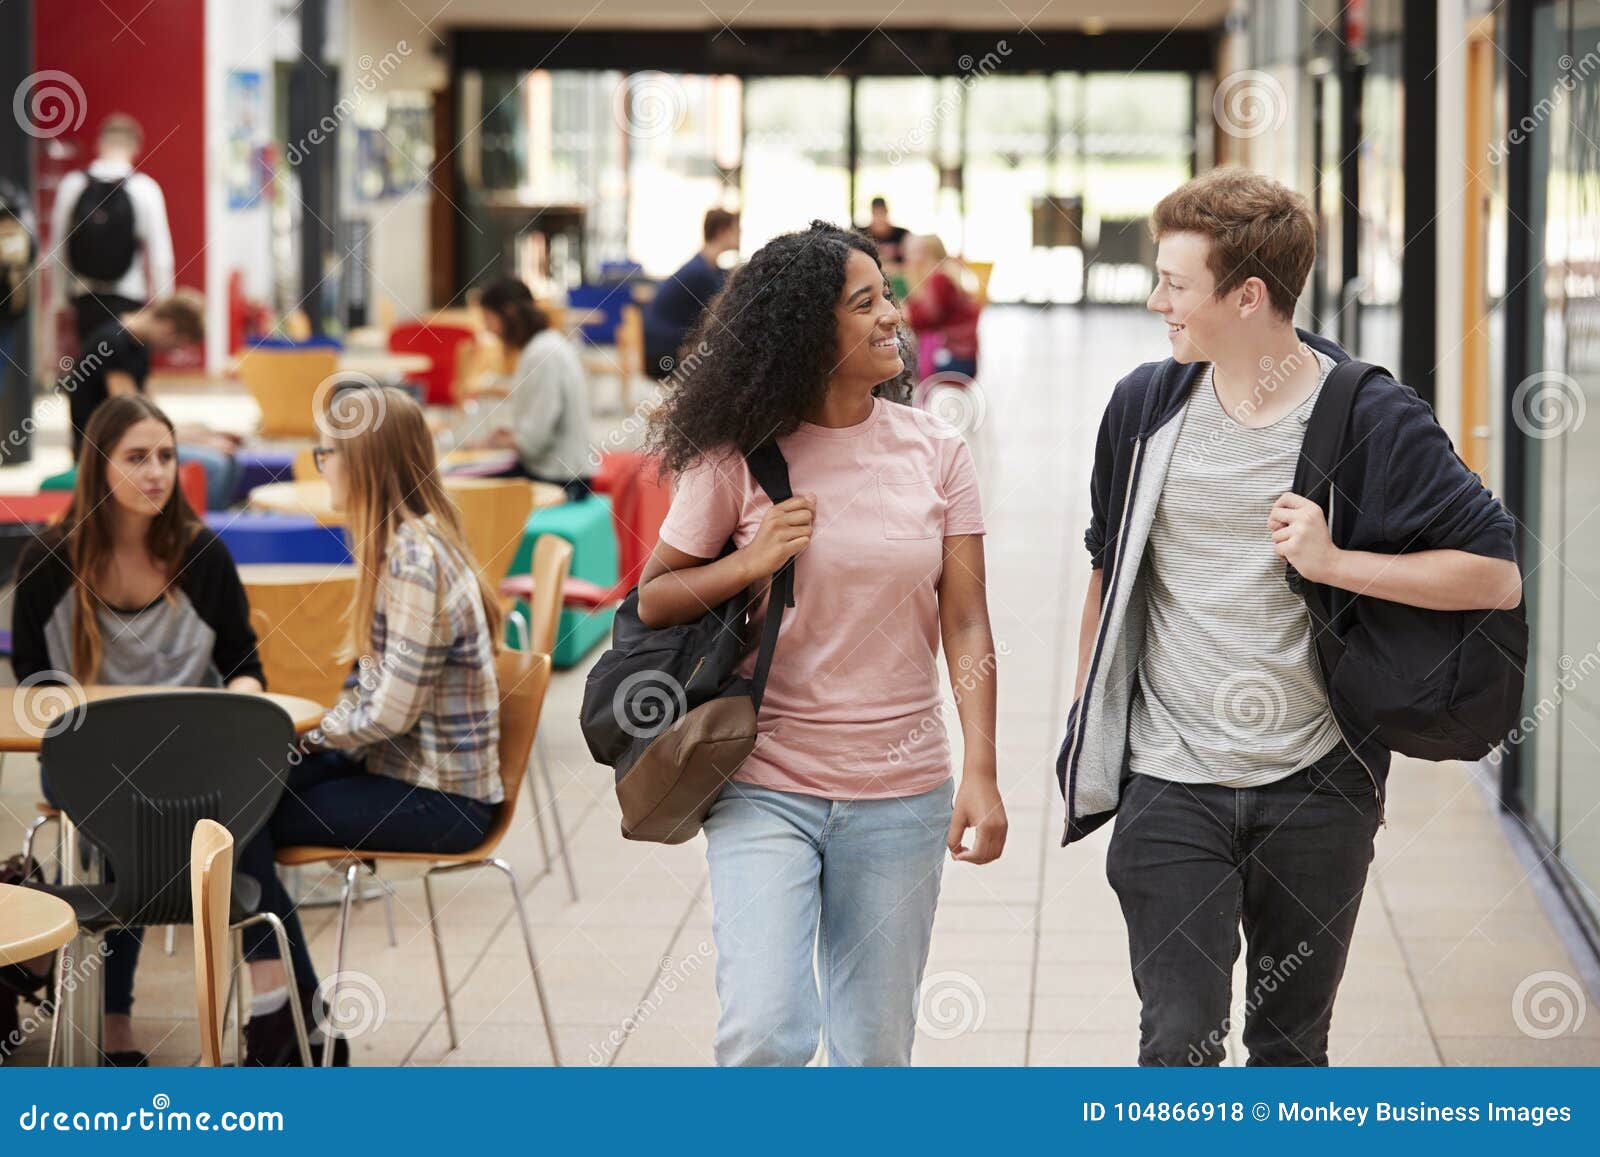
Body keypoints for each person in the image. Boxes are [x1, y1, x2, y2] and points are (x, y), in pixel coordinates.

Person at [1059, 168, 1522, 1066]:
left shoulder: (1370, 415)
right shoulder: (1144, 408)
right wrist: (1091, 713)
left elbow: (1495, 576)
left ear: (1248, 295)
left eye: (1175, 284)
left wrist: (1334, 562)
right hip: (1170, 778)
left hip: (1318, 783)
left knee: (1289, 1044)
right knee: (1179, 1038)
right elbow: (1109, 571)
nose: (1158, 300)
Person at [640, 221, 1007, 1066]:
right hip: (764, 781)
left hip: (903, 788)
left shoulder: (937, 451)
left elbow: (967, 620)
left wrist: (981, 769)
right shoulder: (735, 458)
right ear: (808, 330)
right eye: (865, 302)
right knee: (766, 1029)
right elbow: (654, 598)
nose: (893, 316)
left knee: (876, 1049)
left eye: (888, 295)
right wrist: (752, 562)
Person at [234, 385, 505, 1066]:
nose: (319, 463)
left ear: (363, 461)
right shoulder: (408, 543)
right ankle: (296, 1025)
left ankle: (288, 1025)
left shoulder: (413, 557)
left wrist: (311, 736)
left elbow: (389, 712)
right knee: (239, 797)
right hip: (410, 772)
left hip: (444, 798)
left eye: (327, 451)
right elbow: (375, 694)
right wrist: (312, 736)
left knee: (237, 818)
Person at [7, 395, 265, 1066]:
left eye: (167, 456)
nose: (156, 472)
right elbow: (32, 684)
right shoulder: (47, 562)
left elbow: (244, 663)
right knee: (142, 828)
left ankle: (271, 1019)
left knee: (246, 820)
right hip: (89, 759)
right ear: (99, 468)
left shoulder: (202, 555)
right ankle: (126, 1022)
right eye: (137, 458)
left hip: (193, 759)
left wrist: (243, 713)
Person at [65, 290, 240, 508]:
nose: (169, 352)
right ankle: (198, 534)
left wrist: (206, 433)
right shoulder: (112, 344)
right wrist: (202, 441)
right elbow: (132, 420)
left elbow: (149, 412)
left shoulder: (139, 345)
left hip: (131, 439)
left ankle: (215, 526)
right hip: (105, 447)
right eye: (176, 346)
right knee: (216, 466)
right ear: (168, 329)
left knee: (231, 458)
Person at [50, 113, 175, 348]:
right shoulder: (145, 188)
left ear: (99, 143)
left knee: (89, 370)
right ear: (136, 146)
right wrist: (164, 304)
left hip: (84, 296)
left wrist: (59, 299)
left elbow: (57, 248)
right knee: (124, 367)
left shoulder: (73, 185)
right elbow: (160, 254)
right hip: (129, 297)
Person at [473, 277, 594, 501]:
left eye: (489, 319)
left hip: (560, 479)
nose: (488, 329)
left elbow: (534, 442)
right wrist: (509, 435)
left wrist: (499, 443)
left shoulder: (542, 354)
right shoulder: (545, 345)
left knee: (468, 489)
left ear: (508, 313)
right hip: (558, 471)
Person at [643, 207, 739, 379]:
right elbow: (725, 316)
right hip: (662, 355)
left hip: (666, 346)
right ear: (723, 232)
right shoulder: (700, 273)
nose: (740, 235)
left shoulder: (706, 266)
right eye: (737, 230)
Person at [902, 234, 981, 381]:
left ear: (926, 254)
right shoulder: (947, 273)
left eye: (913, 252)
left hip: (952, 358)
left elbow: (926, 318)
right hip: (963, 356)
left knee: (899, 366)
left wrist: (906, 313)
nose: (907, 257)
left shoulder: (939, 279)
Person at [862, 196, 910, 270]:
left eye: (881, 212)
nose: (879, 217)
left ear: (886, 212)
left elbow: (909, 262)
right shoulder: (862, 234)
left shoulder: (902, 234)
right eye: (876, 213)